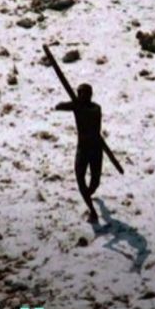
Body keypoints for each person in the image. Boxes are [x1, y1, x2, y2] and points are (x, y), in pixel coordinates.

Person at [55, 83, 103, 222]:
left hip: (95, 148)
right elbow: (60, 106)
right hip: (83, 149)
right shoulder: (77, 106)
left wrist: (75, 105)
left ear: (89, 95)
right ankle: (92, 210)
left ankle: (87, 195)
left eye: (82, 94)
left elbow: (85, 112)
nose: (80, 96)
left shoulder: (95, 109)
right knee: (80, 178)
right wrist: (71, 105)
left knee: (95, 181)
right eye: (78, 94)